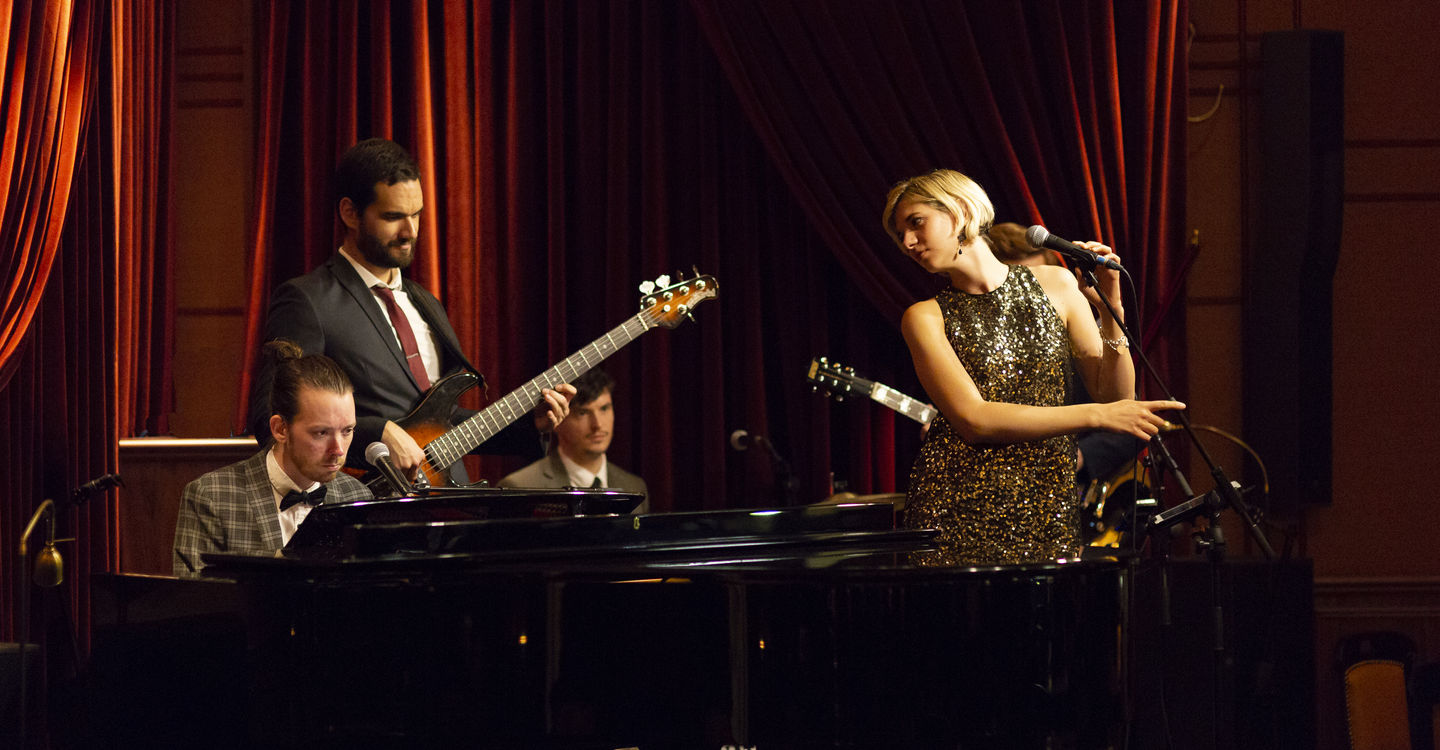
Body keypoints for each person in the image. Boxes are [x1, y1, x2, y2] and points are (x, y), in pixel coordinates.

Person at [881, 169, 1184, 565]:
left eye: (915, 222)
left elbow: (1116, 394)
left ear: (960, 209)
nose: (907, 242)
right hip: (957, 507)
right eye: (899, 234)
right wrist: (1097, 414)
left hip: (1048, 502)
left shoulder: (1057, 283)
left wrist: (1111, 308)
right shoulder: (924, 317)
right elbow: (976, 420)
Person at [246, 138, 574, 481]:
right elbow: (273, 415)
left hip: (447, 501)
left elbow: (437, 424)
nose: (410, 232)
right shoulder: (306, 301)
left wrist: (528, 425)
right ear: (349, 212)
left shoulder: (426, 303)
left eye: (416, 215)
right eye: (393, 217)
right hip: (366, 506)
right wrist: (379, 434)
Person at [175, 341, 372, 576]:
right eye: (321, 433)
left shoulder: (358, 496)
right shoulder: (211, 497)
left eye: (347, 431)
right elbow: (194, 602)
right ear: (280, 429)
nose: (338, 449)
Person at [498, 368, 650, 514]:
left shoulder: (634, 485)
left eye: (604, 409)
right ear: (557, 417)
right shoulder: (519, 486)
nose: (597, 424)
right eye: (583, 412)